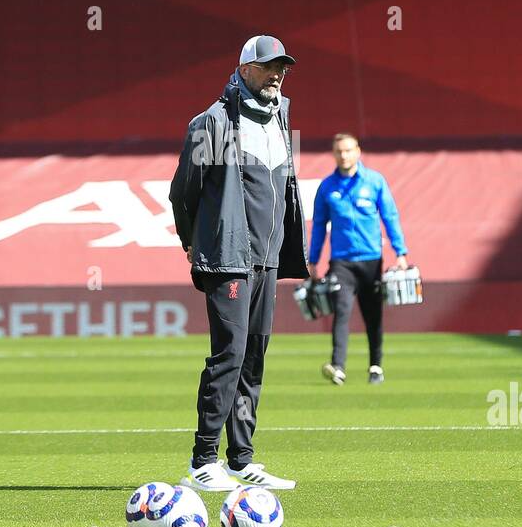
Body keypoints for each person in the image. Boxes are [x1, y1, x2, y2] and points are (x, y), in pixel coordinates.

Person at [169, 35, 308, 492]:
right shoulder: (211, 122)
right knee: (229, 355)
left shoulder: (280, 115)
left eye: (282, 68)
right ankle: (202, 460)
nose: (277, 75)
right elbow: (182, 192)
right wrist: (195, 244)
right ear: (245, 68)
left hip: (267, 258)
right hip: (227, 256)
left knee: (254, 358)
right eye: (269, 67)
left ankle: (241, 459)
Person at [308, 132, 408, 385]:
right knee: (341, 312)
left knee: (373, 316)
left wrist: (401, 252)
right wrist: (312, 260)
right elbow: (319, 225)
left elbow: (390, 216)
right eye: (339, 151)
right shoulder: (327, 187)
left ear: (358, 152)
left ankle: (376, 366)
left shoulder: (374, 182)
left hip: (371, 261)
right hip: (341, 262)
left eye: (348, 150)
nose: (344, 155)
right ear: (334, 154)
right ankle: (338, 367)